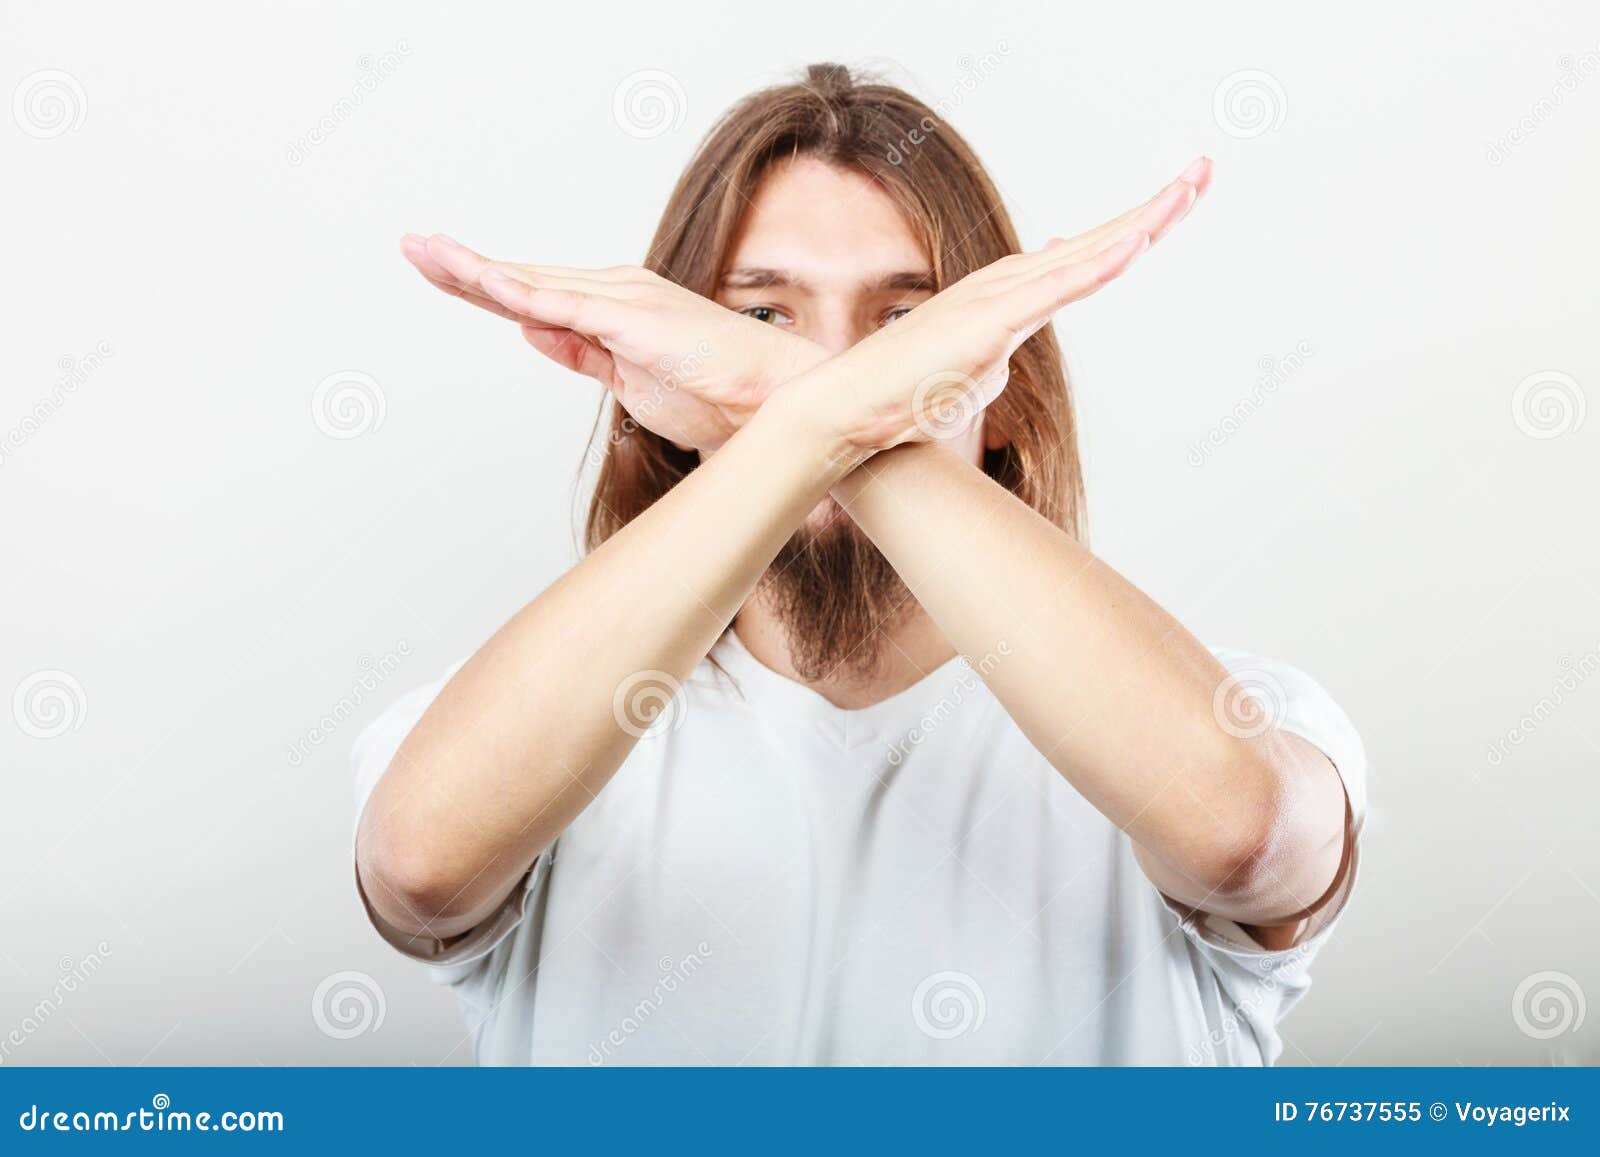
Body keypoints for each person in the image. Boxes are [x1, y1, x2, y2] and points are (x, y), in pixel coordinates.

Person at [352, 63, 1364, 1065]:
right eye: (762, 318)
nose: (839, 369)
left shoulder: (1239, 713)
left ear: (1007, 394)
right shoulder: (517, 722)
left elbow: (1242, 833)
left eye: (905, 325)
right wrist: (840, 414)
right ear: (664, 386)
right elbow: (418, 866)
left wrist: (789, 406)